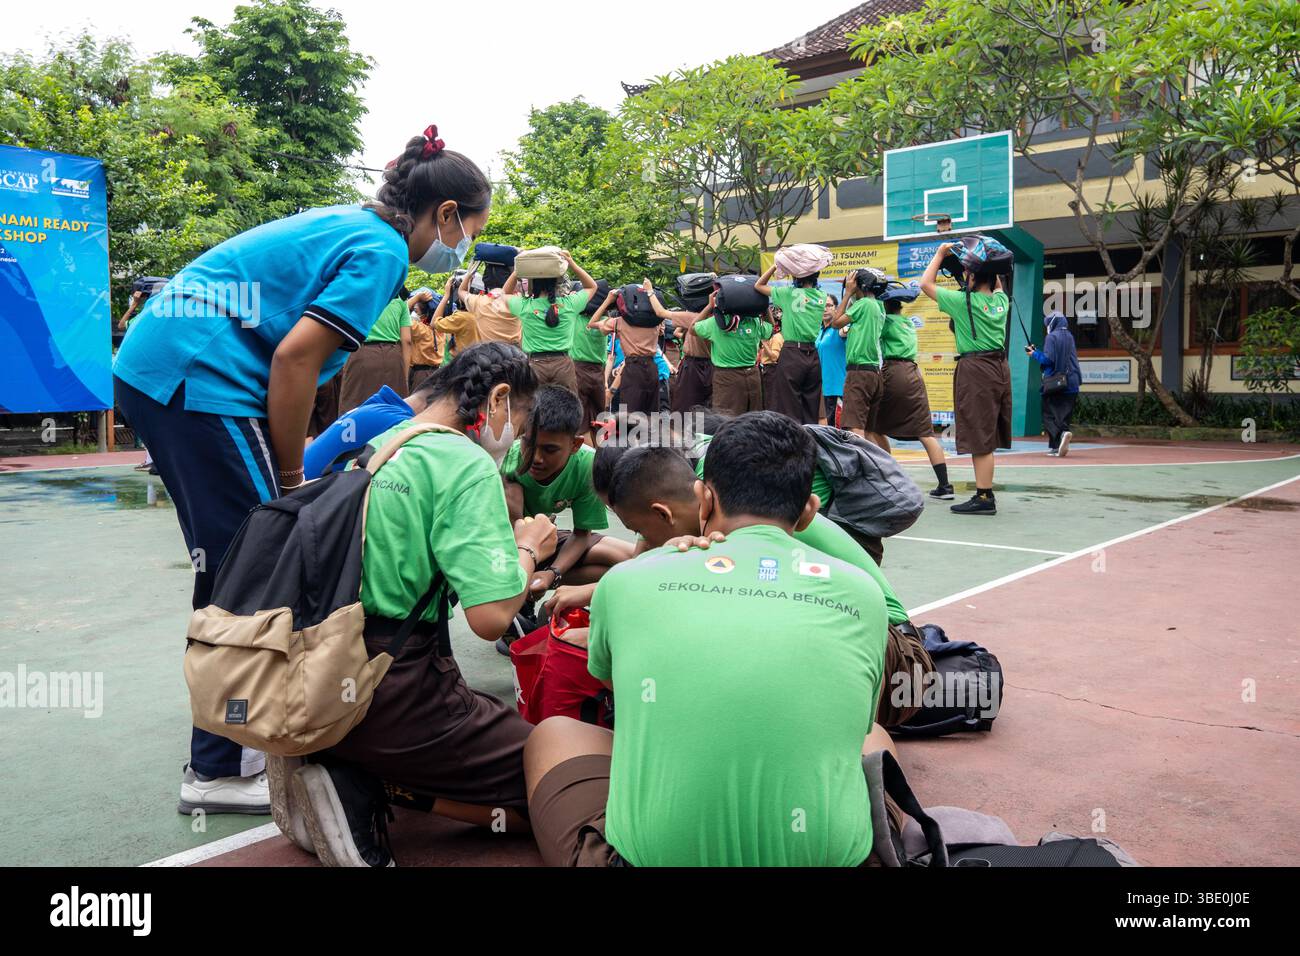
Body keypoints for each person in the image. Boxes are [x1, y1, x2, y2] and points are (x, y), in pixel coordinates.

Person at [113, 123, 489, 814]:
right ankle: (220, 764)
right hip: (199, 374)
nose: (461, 248)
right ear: (444, 215)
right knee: (260, 555)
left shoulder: (358, 229)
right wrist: (291, 481)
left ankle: (230, 737)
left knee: (232, 559)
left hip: (168, 365)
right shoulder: (379, 252)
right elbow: (293, 361)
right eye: (467, 230)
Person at [523, 412, 894, 866]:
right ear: (809, 511)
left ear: (703, 498)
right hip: (832, 858)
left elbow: (626, 694)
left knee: (554, 735)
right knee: (873, 737)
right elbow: (856, 720)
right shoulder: (865, 594)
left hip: (653, 858)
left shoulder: (628, 583)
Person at [285, 343, 558, 867]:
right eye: (519, 425)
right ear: (498, 399)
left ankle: (354, 761)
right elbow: (492, 619)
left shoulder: (383, 442)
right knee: (564, 781)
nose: (516, 440)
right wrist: (529, 547)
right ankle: (373, 785)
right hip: (399, 688)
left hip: (326, 670)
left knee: (492, 720)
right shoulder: (465, 462)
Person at [498, 386, 636, 651]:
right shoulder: (513, 459)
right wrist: (525, 566)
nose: (536, 458)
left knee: (626, 559)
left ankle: (570, 610)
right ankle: (518, 607)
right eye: (530, 444)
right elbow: (509, 530)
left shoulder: (588, 466)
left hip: (546, 538)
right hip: (509, 543)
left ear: (575, 445)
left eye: (549, 450)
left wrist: (552, 574)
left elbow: (582, 534)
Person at [919, 243, 1012, 515]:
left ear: (972, 276)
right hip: (999, 367)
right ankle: (984, 493)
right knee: (988, 434)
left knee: (978, 433)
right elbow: (997, 286)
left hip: (976, 369)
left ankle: (984, 497)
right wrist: (984, 266)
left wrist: (940, 253)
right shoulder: (1000, 302)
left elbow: (926, 283)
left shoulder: (963, 302)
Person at [876, 284, 954, 499]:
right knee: (926, 433)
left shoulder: (885, 321)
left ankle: (891, 478)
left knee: (874, 427)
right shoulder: (908, 322)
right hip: (913, 374)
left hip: (894, 373)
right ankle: (945, 485)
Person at [504, 251, 597, 393]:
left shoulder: (526, 307)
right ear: (557, 282)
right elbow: (592, 286)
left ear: (533, 284)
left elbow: (504, 294)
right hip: (563, 366)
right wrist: (571, 263)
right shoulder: (569, 305)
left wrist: (519, 269)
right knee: (566, 409)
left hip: (535, 366)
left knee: (535, 410)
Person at [755, 263, 826, 423]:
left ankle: (792, 444)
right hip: (813, 355)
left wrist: (776, 265)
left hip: (792, 353)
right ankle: (809, 444)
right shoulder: (821, 296)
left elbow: (759, 285)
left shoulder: (788, 293)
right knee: (811, 406)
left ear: (796, 276)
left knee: (788, 406)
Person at [830, 269, 888, 446]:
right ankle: (885, 469)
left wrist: (847, 294)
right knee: (870, 431)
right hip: (874, 373)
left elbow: (835, 323)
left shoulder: (862, 304)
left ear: (860, 286)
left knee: (855, 429)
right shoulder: (878, 306)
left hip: (859, 373)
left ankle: (862, 471)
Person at [588, 282, 664, 418]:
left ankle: (629, 439)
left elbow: (592, 323)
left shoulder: (619, 322)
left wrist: (608, 300)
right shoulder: (655, 323)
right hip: (653, 368)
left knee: (629, 416)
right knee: (651, 414)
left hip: (632, 369)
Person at [692, 294, 773, 416]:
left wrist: (710, 306)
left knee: (726, 419)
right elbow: (771, 328)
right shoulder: (755, 322)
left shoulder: (717, 323)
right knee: (752, 420)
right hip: (753, 377)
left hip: (727, 378)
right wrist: (764, 305)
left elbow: (692, 328)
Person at [338, 294, 413, 413]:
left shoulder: (360, 294)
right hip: (394, 357)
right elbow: (407, 341)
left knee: (355, 405)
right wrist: (404, 377)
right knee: (393, 408)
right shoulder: (400, 300)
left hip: (362, 353)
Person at [1028, 311, 1081, 457]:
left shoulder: (1051, 337)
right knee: (1063, 415)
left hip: (1055, 383)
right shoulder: (1069, 336)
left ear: (1051, 324)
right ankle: (1061, 439)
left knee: (1049, 414)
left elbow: (1049, 360)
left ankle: (1057, 443)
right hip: (1072, 382)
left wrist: (1034, 354)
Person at [570, 285, 612, 443]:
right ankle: (598, 454)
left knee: (581, 420)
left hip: (578, 371)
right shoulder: (605, 322)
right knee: (599, 417)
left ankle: (586, 455)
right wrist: (607, 301)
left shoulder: (575, 317)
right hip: (598, 374)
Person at [668, 292, 715, 414]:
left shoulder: (691, 317)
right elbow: (677, 332)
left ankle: (684, 430)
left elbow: (660, 313)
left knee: (685, 401)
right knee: (705, 403)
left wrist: (650, 291)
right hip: (712, 364)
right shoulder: (716, 319)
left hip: (693, 364)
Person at [459, 260, 523, 346]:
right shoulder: (518, 300)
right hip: (515, 353)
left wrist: (471, 272)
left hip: (489, 355)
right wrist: (516, 272)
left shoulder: (478, 301)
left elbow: (461, 291)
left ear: (485, 282)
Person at [815, 294, 847, 426]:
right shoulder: (818, 331)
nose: (825, 309)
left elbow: (847, 329)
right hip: (821, 389)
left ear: (836, 308)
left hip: (838, 389)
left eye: (829, 305)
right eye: (822, 305)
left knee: (838, 433)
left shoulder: (840, 329)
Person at [406, 287, 444, 390]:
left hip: (421, 375)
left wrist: (417, 297)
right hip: (435, 372)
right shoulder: (440, 329)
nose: (413, 313)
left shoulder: (421, 330)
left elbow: (400, 313)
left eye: (415, 310)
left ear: (425, 314)